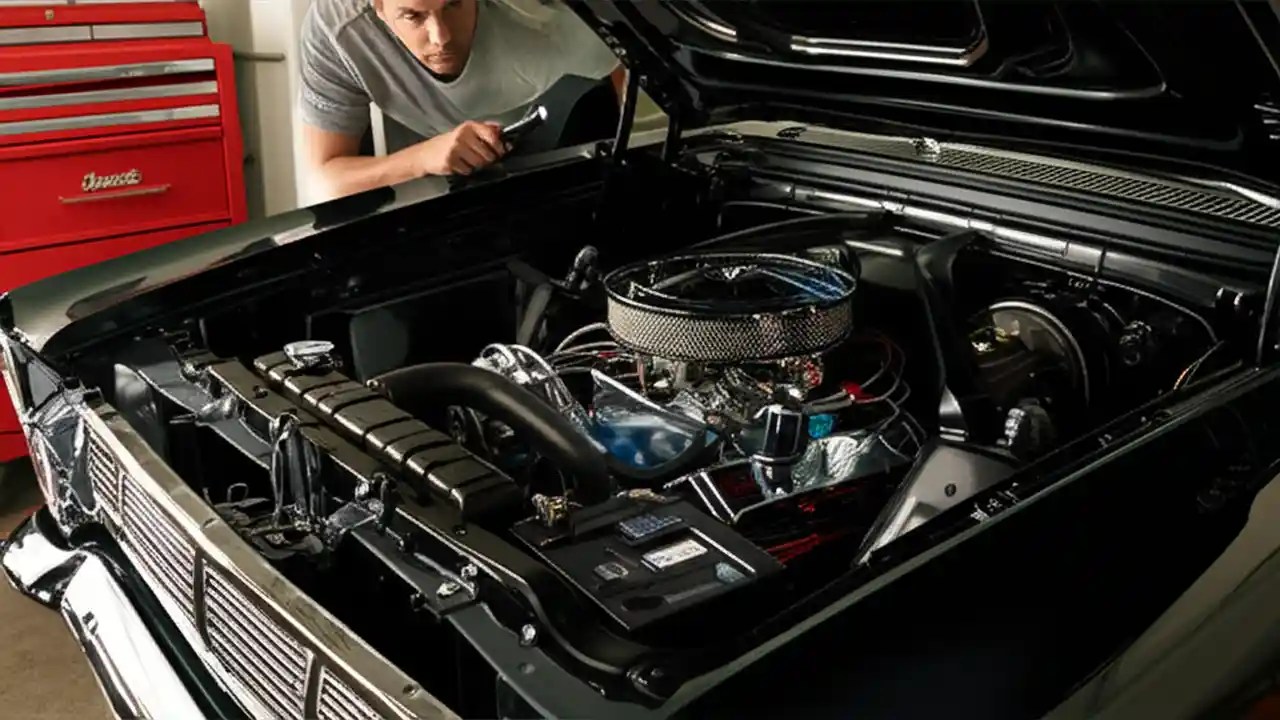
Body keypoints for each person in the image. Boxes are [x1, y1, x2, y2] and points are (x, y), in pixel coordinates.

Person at [299, 0, 623, 201]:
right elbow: (326, 179)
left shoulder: (559, 22)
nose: (441, 37)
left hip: (572, 122)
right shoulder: (338, 32)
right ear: (378, 6)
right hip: (441, 164)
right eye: (413, 16)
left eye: (453, 4)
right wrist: (423, 158)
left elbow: (633, 60)